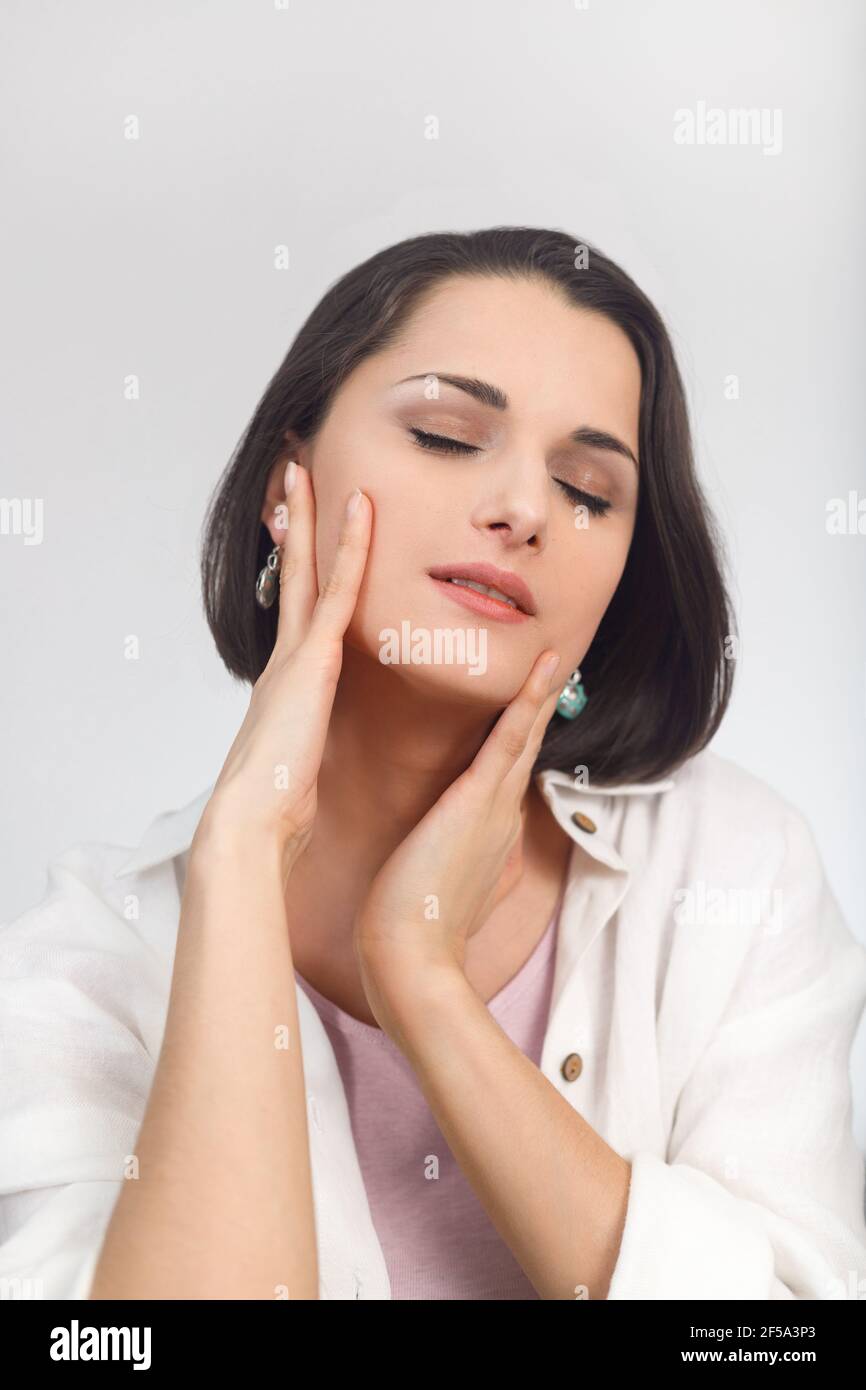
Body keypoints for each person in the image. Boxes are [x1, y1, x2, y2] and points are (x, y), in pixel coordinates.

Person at [2, 227, 865, 1301]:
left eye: (588, 491)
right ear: (288, 483)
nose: (523, 509)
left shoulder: (734, 872)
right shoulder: (88, 960)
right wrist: (238, 856)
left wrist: (421, 981)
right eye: (448, 434)